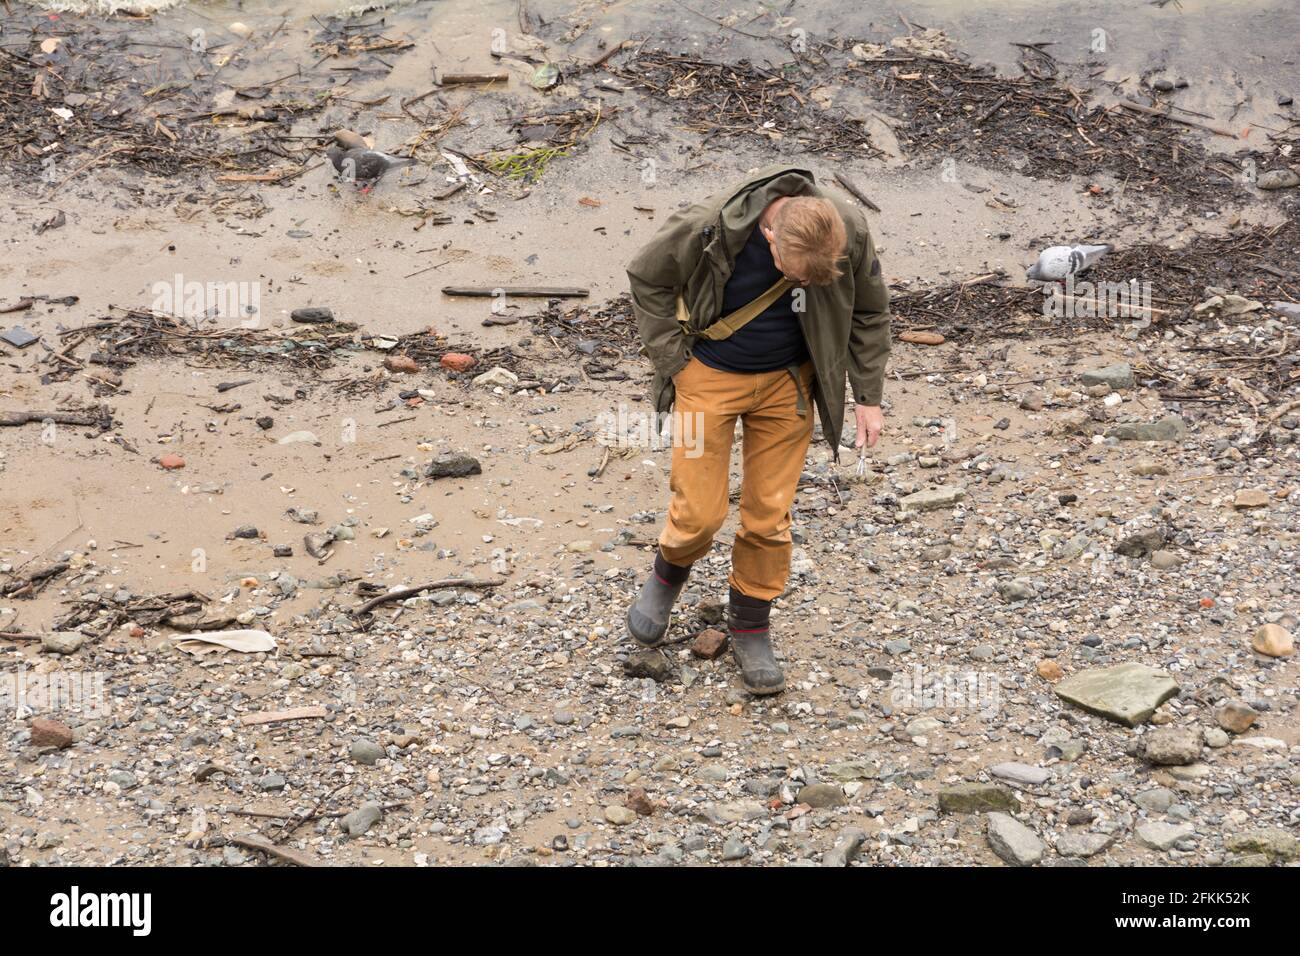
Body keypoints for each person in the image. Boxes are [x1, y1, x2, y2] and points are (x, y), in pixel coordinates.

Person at [623, 164, 891, 694]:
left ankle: (750, 621)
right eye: (794, 276)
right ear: (769, 234)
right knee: (699, 513)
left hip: (789, 383)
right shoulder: (704, 226)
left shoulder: (848, 228)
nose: (801, 287)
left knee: (769, 514)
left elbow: (869, 310)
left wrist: (868, 396)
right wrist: (674, 361)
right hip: (709, 377)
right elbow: (646, 278)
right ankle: (666, 575)